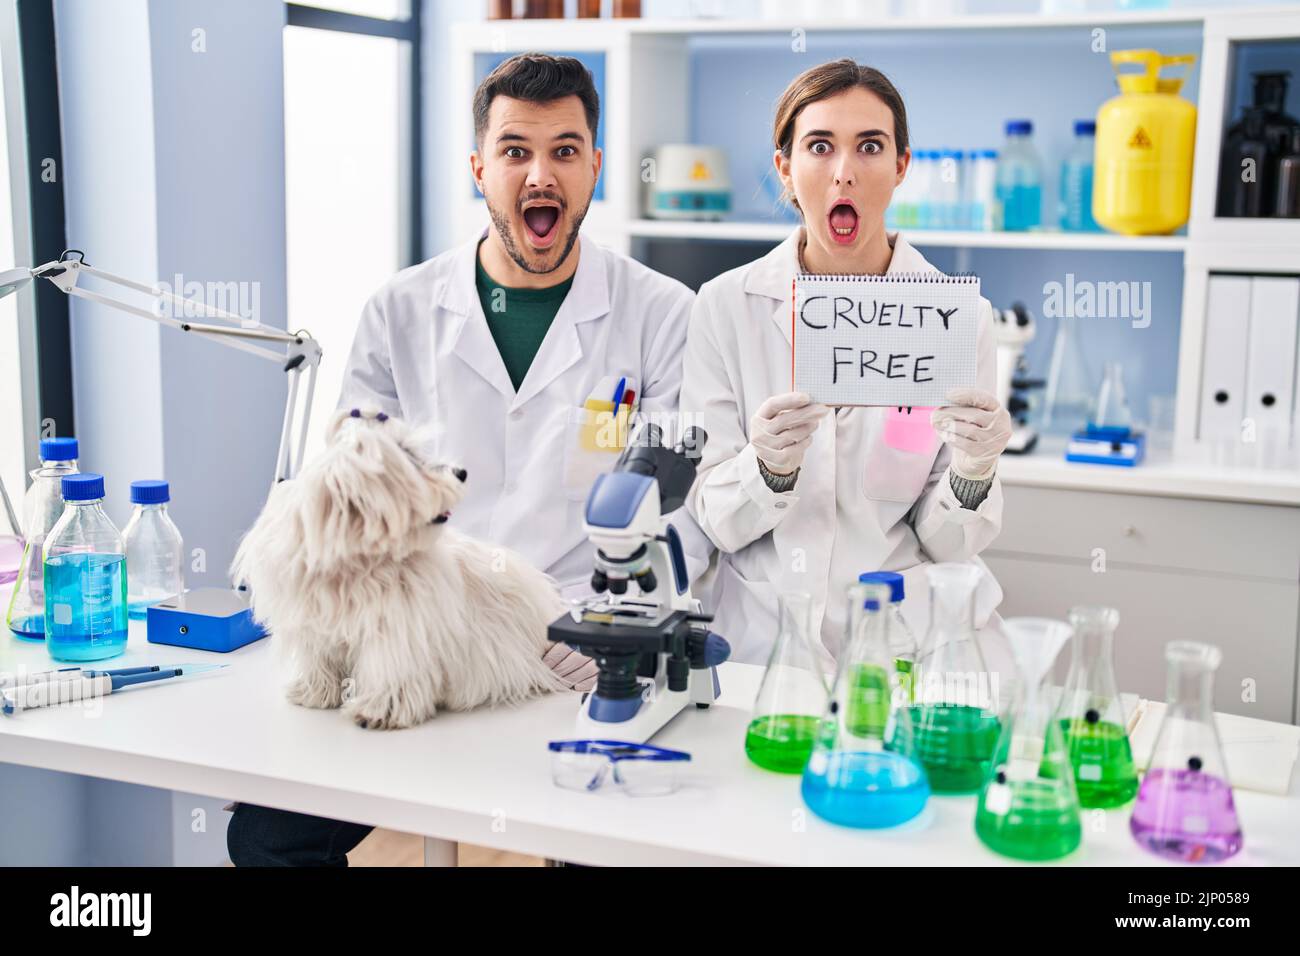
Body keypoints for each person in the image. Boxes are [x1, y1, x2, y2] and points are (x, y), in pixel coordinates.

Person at [228, 53, 707, 866]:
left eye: (564, 150)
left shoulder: (663, 315)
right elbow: (357, 496)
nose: (540, 173)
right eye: (516, 151)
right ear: (480, 168)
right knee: (266, 839)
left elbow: (684, 512)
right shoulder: (401, 310)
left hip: (582, 649)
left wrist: (608, 625)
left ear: (595, 167)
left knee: (622, 849)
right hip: (419, 631)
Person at [680, 59, 1012, 665]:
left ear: (901, 165)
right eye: (819, 147)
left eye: (869, 147)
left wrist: (973, 470)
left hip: (907, 642)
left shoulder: (957, 320)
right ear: (785, 167)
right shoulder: (726, 307)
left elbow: (950, 546)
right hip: (765, 640)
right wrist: (768, 470)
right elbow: (714, 519)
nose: (843, 173)